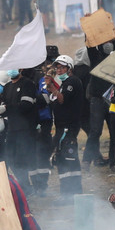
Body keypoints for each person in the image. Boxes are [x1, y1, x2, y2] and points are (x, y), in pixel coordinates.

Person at [46, 55, 83, 195]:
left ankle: (72, 193)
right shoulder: (65, 84)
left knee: (69, 159)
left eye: (62, 67)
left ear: (69, 68)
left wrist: (51, 87)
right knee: (62, 159)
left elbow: (63, 100)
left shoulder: (72, 82)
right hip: (62, 127)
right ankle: (68, 193)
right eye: (58, 67)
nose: (59, 70)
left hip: (69, 127)